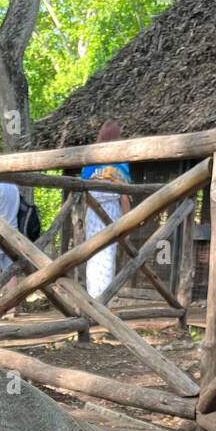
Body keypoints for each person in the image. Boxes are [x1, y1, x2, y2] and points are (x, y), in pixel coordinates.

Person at [81, 120, 132, 299]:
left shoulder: (91, 157)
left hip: (95, 209)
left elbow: (84, 189)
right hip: (106, 209)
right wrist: (128, 220)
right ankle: (100, 298)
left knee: (97, 254)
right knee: (103, 254)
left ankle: (96, 297)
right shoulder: (118, 160)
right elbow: (125, 194)